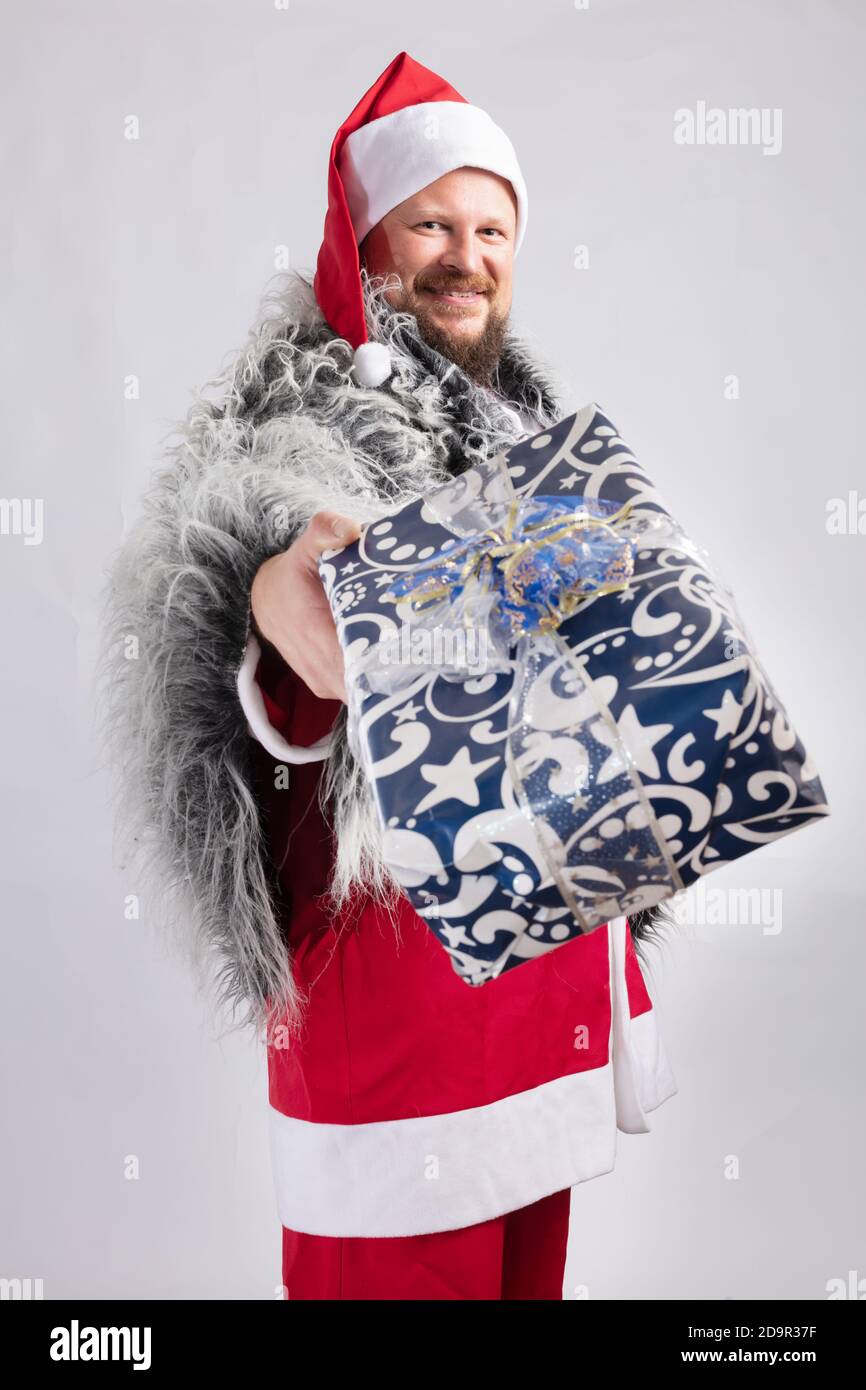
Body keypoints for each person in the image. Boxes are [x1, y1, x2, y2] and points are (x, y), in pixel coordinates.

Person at [101, 51, 677, 1301]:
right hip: (396, 1009)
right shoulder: (292, 423)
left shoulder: (532, 438)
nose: (466, 255)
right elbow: (246, 546)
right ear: (366, 242)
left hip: (537, 985)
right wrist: (266, 598)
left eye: (489, 228)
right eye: (431, 224)